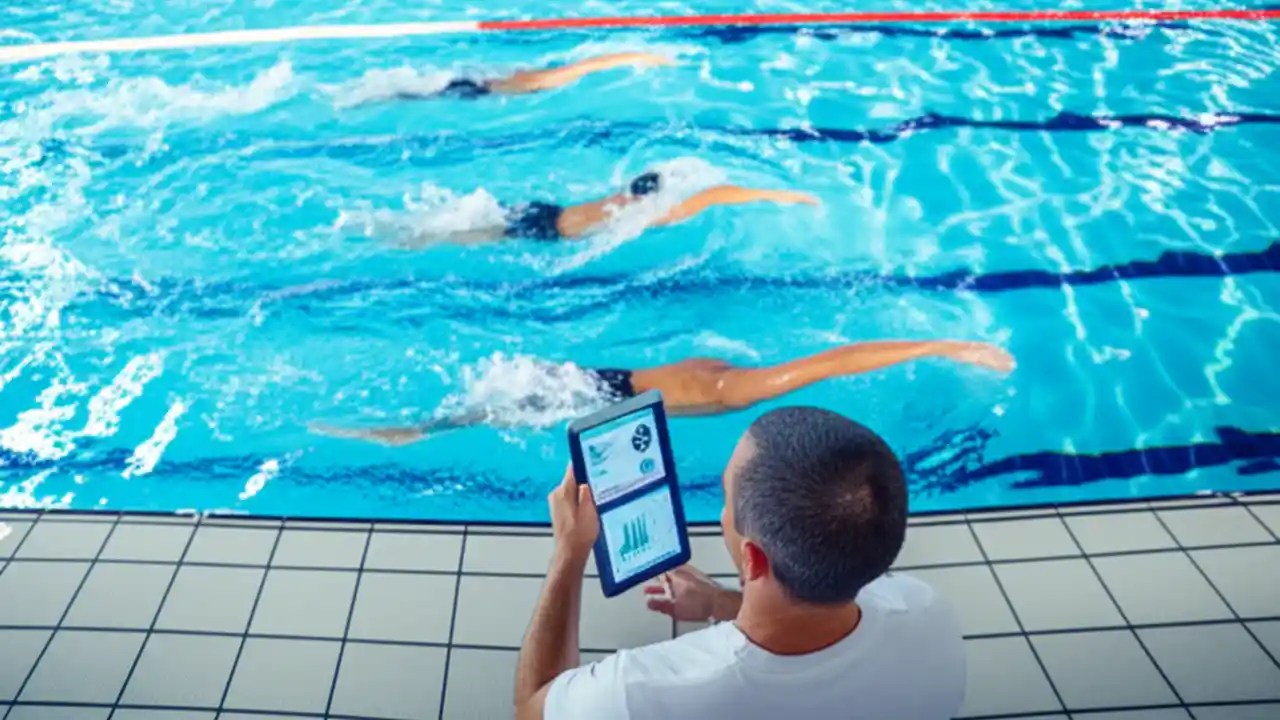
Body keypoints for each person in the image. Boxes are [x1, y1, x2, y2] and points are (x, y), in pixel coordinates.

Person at [513, 406, 966, 719]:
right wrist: (721, 602)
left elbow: (533, 707)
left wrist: (569, 554)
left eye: (726, 498)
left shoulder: (635, 694)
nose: (722, 513)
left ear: (752, 558)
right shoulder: (929, 615)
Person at [310, 339, 1013, 445]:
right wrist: (944, 348)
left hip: (596, 375)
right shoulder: (743, 389)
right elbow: (836, 362)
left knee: (492, 399)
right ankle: (411, 431)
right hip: (593, 398)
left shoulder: (715, 367)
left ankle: (419, 425)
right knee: (461, 420)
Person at [393, 169, 819, 247]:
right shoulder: (654, 214)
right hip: (550, 230)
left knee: (445, 223)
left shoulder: (626, 200)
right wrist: (784, 197)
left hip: (548, 211)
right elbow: (721, 195)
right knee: (439, 236)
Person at [382, 52, 675, 101]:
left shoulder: (539, 79)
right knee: (404, 93)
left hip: (479, 87)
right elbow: (590, 65)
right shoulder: (547, 80)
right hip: (476, 89)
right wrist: (640, 58)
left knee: (407, 93)